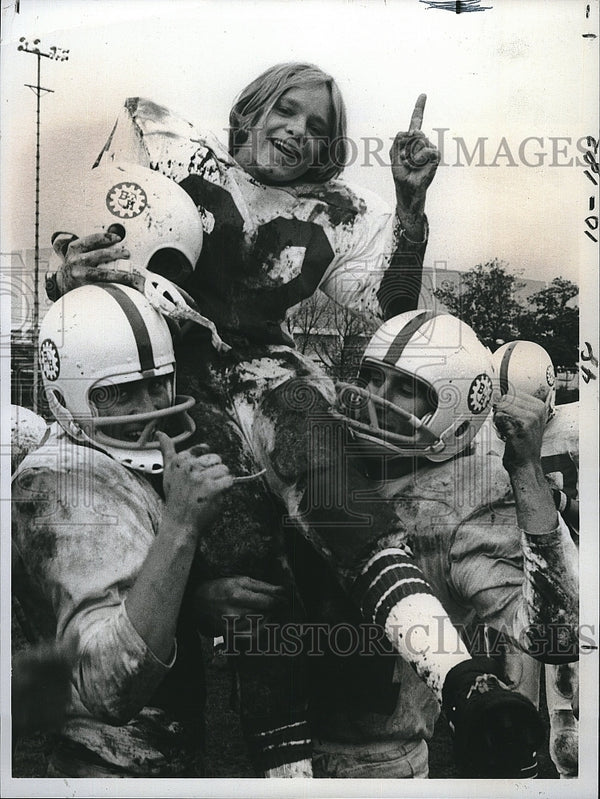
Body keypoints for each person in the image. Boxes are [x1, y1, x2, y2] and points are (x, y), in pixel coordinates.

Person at [44, 69, 549, 775]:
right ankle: (286, 772)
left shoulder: (333, 211)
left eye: (319, 128)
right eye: (287, 110)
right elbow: (96, 279)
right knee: (250, 576)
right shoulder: (176, 164)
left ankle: (460, 679)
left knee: (344, 507)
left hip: (270, 379)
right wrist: (68, 275)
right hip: (174, 385)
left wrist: (409, 206)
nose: (299, 132)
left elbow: (391, 308)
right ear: (250, 110)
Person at [264, 311, 580, 779]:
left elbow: (557, 634)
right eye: (372, 377)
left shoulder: (467, 500)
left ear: (454, 416)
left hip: (374, 759)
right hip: (278, 735)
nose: (373, 398)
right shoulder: (333, 456)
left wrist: (526, 471)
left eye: (405, 388)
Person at [11, 283, 285, 777]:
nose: (151, 405)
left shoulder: (109, 457)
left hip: (154, 761)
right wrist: (181, 525)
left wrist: (191, 601)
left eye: (158, 382)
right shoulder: (59, 482)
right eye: (118, 392)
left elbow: (122, 584)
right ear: (65, 396)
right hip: (103, 766)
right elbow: (108, 686)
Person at [488, 339, 580, 778]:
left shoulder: (579, 429)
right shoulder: (482, 437)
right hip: (510, 580)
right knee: (513, 705)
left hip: (566, 576)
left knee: (568, 708)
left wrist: (557, 500)